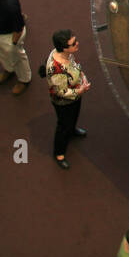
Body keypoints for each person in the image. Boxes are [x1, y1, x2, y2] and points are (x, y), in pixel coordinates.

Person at [44, 29, 90, 169]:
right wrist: (80, 90)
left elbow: (74, 67)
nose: (77, 44)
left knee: (74, 116)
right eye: (73, 43)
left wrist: (82, 77)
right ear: (64, 47)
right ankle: (59, 153)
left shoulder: (67, 54)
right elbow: (61, 92)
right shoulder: (55, 68)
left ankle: (72, 130)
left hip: (75, 95)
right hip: (64, 101)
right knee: (63, 125)